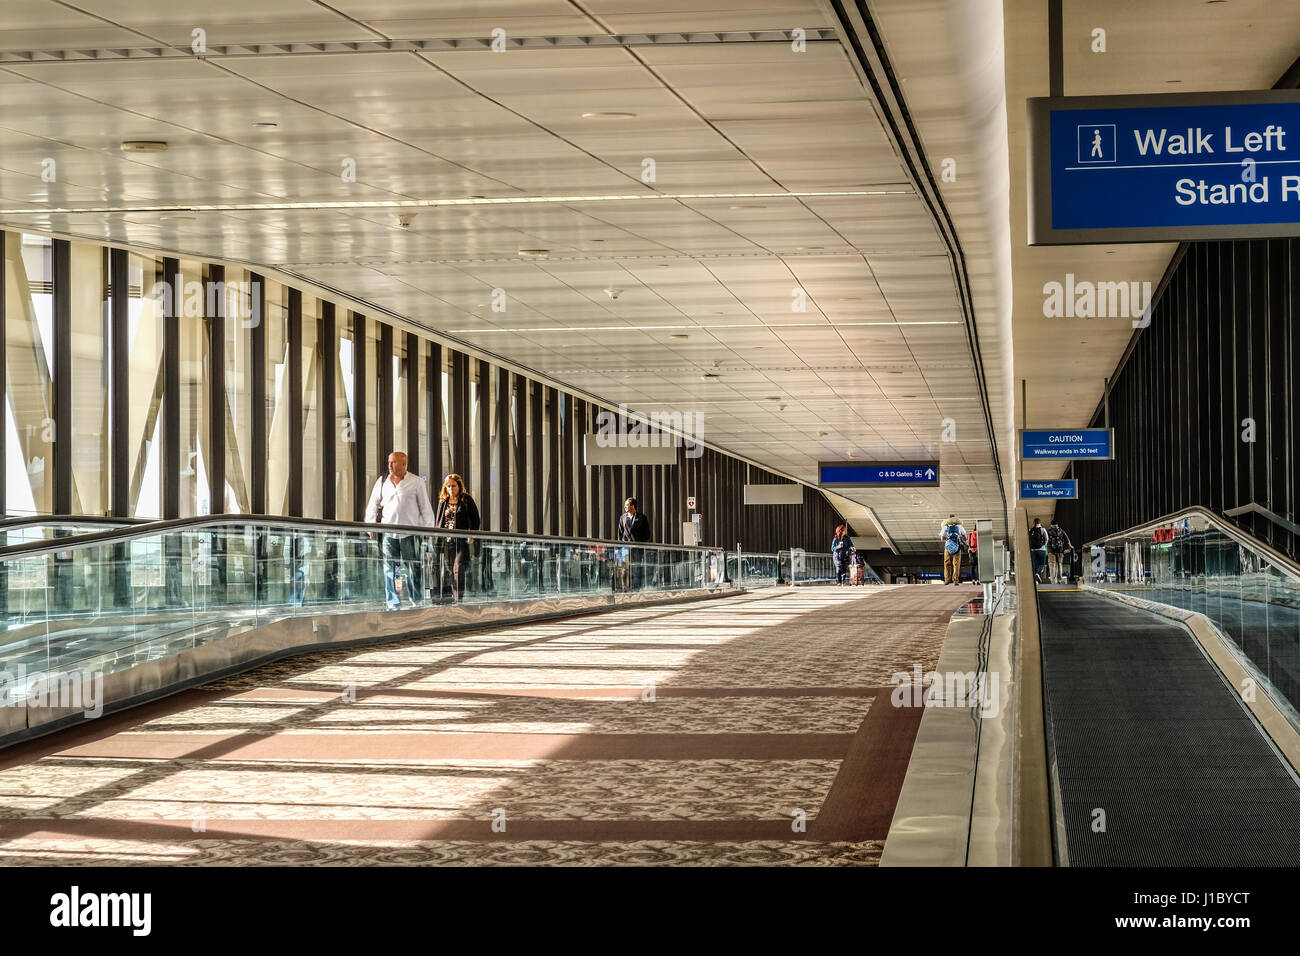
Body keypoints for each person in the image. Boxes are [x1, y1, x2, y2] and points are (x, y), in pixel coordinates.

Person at [365, 451, 435, 610]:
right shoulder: (383, 481)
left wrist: (431, 532)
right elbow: (372, 505)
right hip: (388, 533)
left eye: (394, 462)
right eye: (389, 462)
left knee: (412, 568)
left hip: (410, 534)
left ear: (404, 464)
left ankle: (416, 600)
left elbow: (425, 508)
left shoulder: (416, 482)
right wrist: (370, 526)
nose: (389, 465)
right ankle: (393, 602)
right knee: (390, 568)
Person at [433, 473, 481, 603]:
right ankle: (452, 597)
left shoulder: (466, 500)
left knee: (458, 569)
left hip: (461, 541)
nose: (450, 489)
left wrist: (472, 534)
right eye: (448, 486)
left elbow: (475, 519)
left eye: (453, 486)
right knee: (449, 570)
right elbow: (438, 521)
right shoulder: (443, 501)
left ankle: (459, 598)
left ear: (459, 486)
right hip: (447, 541)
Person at [616, 497, 651, 590]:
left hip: (637, 549)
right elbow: (620, 534)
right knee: (624, 569)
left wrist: (640, 545)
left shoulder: (642, 518)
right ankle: (624, 588)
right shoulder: (622, 517)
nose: (625, 506)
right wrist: (620, 548)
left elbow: (647, 534)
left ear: (633, 506)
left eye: (627, 505)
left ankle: (636, 588)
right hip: (625, 549)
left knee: (636, 569)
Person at [941, 516, 967, 585]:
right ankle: (955, 581)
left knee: (947, 563)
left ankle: (947, 580)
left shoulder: (945, 526)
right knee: (956, 564)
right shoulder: (960, 526)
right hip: (957, 546)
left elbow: (942, 538)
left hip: (948, 547)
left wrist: (948, 539)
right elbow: (965, 537)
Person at [1028, 517, 1049, 583]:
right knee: (1042, 563)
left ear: (1034, 523)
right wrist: (1044, 545)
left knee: (1035, 564)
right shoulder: (1042, 529)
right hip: (1041, 549)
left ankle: (1035, 578)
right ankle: (1038, 573)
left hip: (1033, 550)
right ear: (1040, 522)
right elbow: (1046, 539)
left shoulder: (1031, 530)